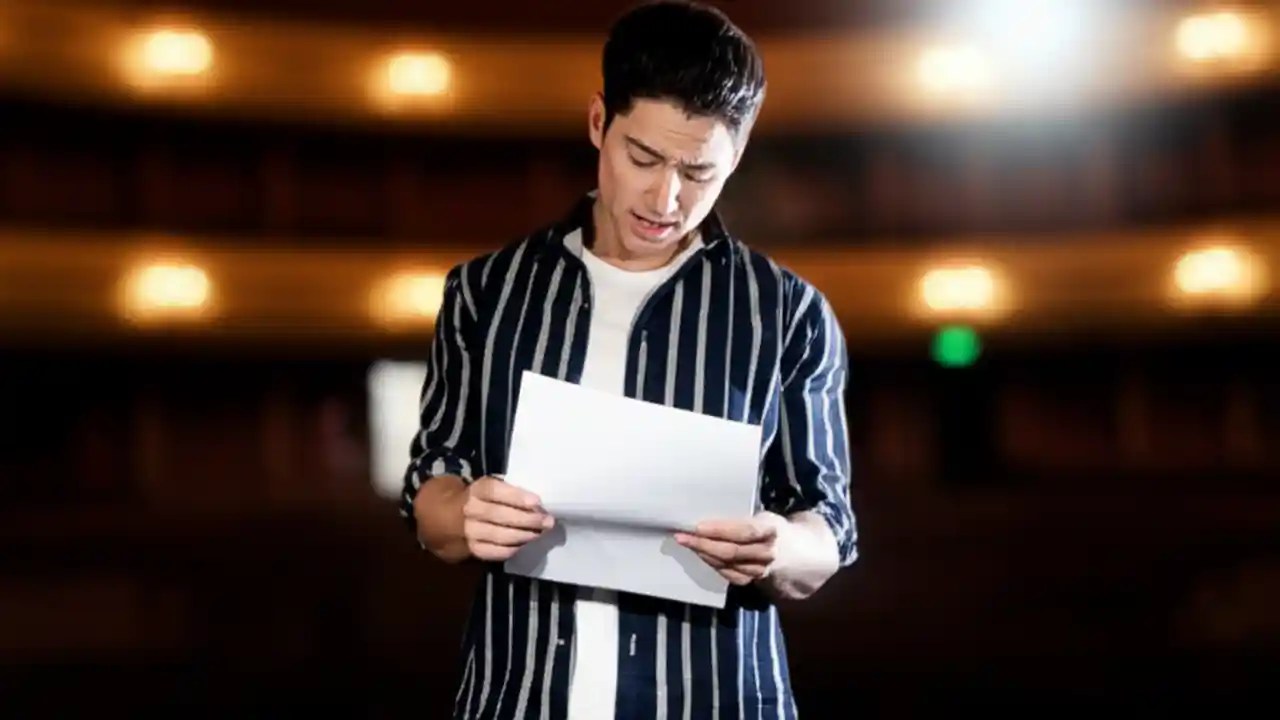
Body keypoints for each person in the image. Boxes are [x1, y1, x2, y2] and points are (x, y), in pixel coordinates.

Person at [400, 2, 857, 718]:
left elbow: (828, 528)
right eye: (643, 158)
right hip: (519, 696)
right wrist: (465, 513)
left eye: (699, 171)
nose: (666, 198)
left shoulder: (788, 313)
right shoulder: (486, 291)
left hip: (717, 697)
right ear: (597, 124)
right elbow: (430, 485)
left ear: (735, 156)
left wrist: (778, 548)